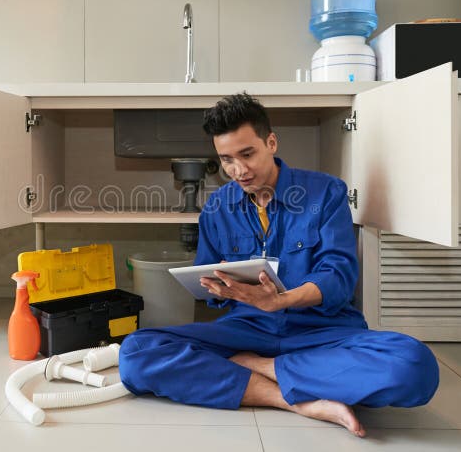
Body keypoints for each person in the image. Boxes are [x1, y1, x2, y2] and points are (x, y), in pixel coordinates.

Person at [118, 93, 439, 437]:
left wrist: (280, 301)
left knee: (414, 365)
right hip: (246, 330)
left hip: (322, 332)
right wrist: (219, 287)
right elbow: (208, 286)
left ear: (271, 142)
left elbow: (339, 277)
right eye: (226, 159)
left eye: (247, 154)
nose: (238, 170)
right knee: (136, 353)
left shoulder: (327, 193)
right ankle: (292, 399)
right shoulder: (217, 208)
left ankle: (259, 367)